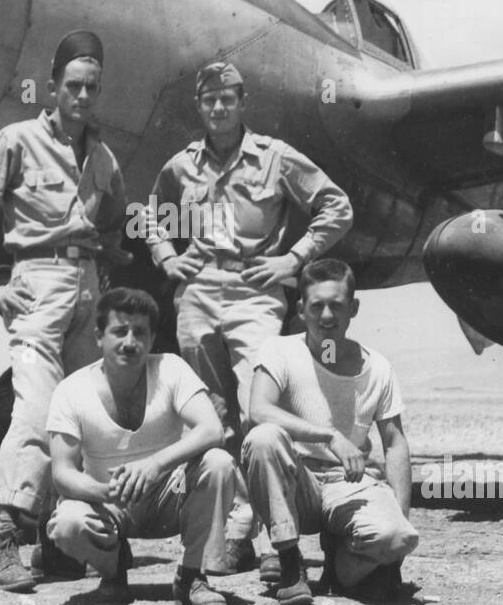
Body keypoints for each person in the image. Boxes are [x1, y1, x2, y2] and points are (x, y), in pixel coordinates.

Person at [142, 60, 353, 578]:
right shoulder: (181, 166)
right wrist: (168, 257)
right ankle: (237, 531)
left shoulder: (275, 158)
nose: (218, 108)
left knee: (257, 407)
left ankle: (280, 530)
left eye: (228, 99)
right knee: (214, 414)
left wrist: (294, 259)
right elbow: (150, 213)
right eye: (209, 100)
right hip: (197, 295)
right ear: (200, 106)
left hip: (255, 293)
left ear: (242, 103)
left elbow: (335, 205)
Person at [0, 30, 128, 592]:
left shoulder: (102, 157)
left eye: (91, 87)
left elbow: (116, 223)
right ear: (52, 88)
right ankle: (6, 538)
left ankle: (59, 543)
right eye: (72, 85)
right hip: (37, 283)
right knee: (36, 409)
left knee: (83, 417)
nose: (82, 95)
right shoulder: (15, 141)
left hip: (88, 289)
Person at [46, 288, 236, 605]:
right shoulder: (71, 390)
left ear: (151, 339)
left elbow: (212, 429)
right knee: (67, 523)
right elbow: (62, 473)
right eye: (119, 331)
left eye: (140, 333)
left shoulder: (171, 369)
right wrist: (106, 491)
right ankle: (113, 570)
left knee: (219, 463)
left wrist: (155, 464)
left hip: (166, 494)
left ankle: (193, 575)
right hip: (109, 499)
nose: (130, 342)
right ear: (99, 336)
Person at [242, 258, 419, 605]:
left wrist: (397, 523)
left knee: (399, 538)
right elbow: (259, 410)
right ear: (300, 309)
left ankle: (338, 568)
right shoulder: (279, 350)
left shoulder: (378, 367)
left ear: (353, 308)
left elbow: (395, 443)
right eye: (316, 305)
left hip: (348, 482)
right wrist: (329, 436)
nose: (326, 315)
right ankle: (290, 564)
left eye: (336, 305)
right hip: (296, 482)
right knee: (262, 438)